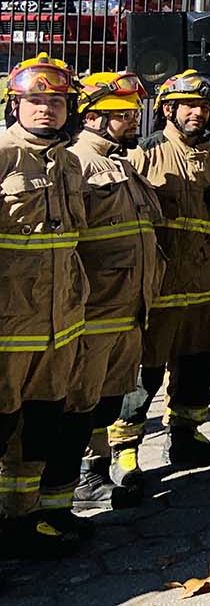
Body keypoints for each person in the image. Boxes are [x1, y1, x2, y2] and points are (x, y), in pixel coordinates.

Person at [112, 70, 210, 482]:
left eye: (203, 107)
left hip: (200, 290)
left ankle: (185, 435)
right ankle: (124, 450)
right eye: (189, 106)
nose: (197, 113)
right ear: (168, 109)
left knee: (196, 367)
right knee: (145, 372)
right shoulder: (144, 153)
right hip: (158, 292)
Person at [0, 56, 91, 555]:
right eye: (36, 101)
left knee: (39, 428)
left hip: (58, 327)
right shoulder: (1, 154)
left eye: (55, 102)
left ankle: (23, 521)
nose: (46, 110)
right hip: (8, 328)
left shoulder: (68, 162)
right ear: (16, 104)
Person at [69, 73, 163, 513]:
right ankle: (81, 477)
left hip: (128, 310)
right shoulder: (77, 165)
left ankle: (98, 472)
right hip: (95, 311)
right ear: (94, 118)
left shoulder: (122, 164)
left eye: (132, 113)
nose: (132, 122)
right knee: (82, 398)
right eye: (123, 115)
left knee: (108, 398)